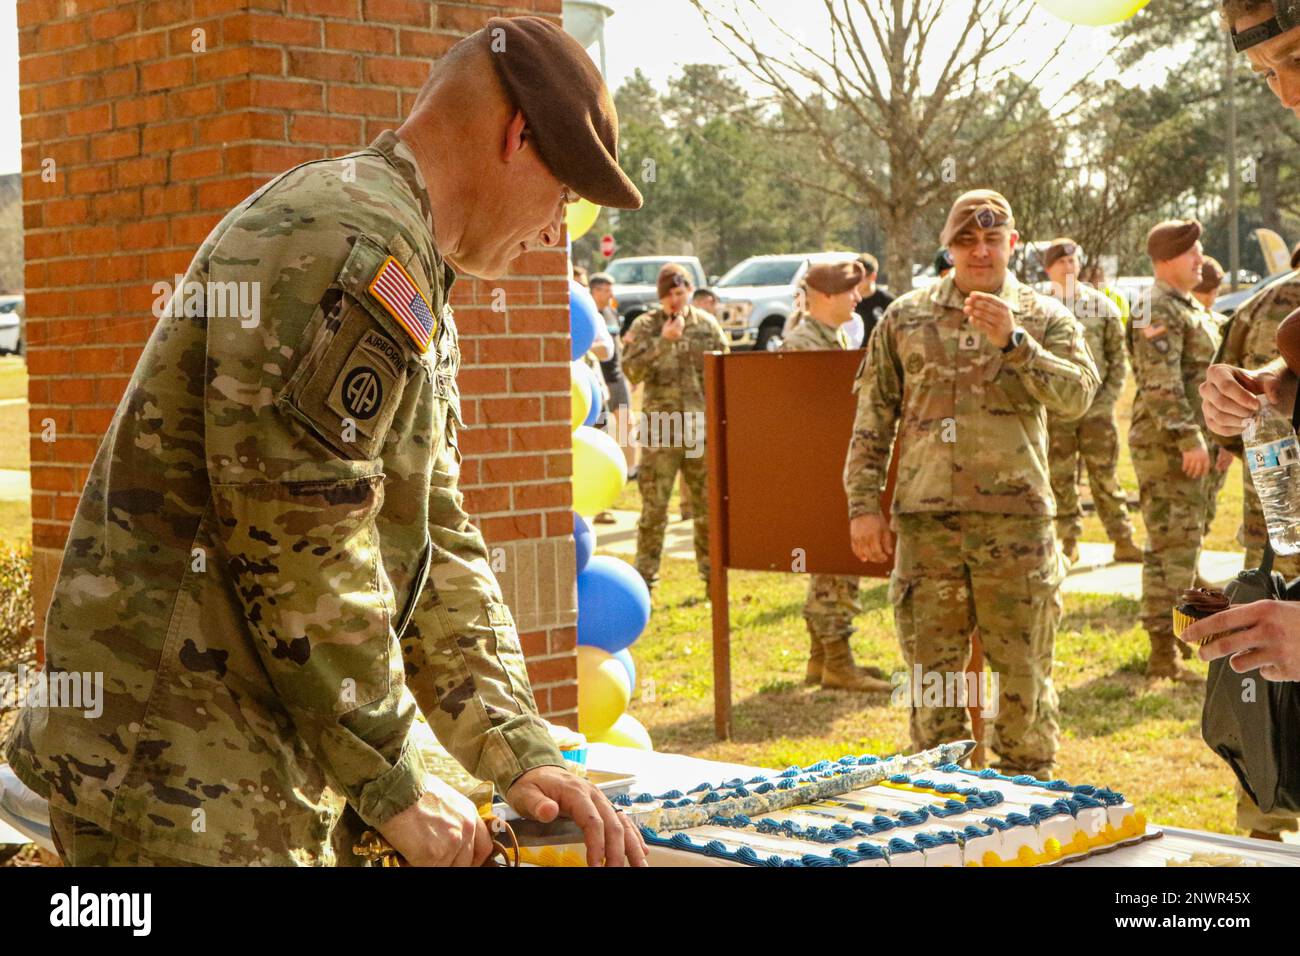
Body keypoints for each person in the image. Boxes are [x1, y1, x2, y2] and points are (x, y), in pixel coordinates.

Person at [4, 16, 648, 868]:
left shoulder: (403, 255)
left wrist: (513, 743)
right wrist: (397, 783)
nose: (550, 233)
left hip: (238, 761)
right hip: (179, 770)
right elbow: (302, 542)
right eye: (563, 196)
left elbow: (435, 533)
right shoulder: (350, 242)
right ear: (517, 135)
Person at [844, 189, 1099, 778]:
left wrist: (1016, 343)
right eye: (966, 240)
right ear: (949, 246)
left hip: (1018, 527)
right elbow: (872, 419)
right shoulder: (905, 317)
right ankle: (939, 809)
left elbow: (1078, 398)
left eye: (992, 239)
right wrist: (863, 506)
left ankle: (1029, 808)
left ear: (1012, 244)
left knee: (1024, 679)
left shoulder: (1044, 317)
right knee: (931, 683)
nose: (980, 251)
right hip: (927, 527)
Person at [780, 261, 891, 692]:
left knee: (829, 564)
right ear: (825, 296)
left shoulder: (835, 336)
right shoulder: (804, 344)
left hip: (835, 465)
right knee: (835, 566)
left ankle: (822, 660)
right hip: (820, 472)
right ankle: (838, 663)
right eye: (850, 291)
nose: (859, 298)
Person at [1127, 220, 1222, 682]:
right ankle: (1164, 653)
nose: (1200, 260)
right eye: (1192, 253)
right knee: (1171, 550)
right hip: (1169, 449)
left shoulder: (1185, 306)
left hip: (1195, 446)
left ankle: (1174, 648)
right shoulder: (1151, 305)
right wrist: (1188, 438)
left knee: (1178, 547)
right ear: (1166, 258)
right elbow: (1159, 383)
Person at [622, 263, 730, 593]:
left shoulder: (707, 325)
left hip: (700, 430)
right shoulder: (645, 326)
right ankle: (645, 580)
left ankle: (713, 580)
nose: (675, 300)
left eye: (680, 293)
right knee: (654, 509)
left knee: (708, 509)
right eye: (669, 294)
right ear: (661, 297)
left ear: (689, 292)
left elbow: (724, 370)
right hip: (660, 431)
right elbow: (631, 371)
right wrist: (663, 342)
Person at [1041, 239, 1141, 565]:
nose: (1069, 266)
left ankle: (1123, 539)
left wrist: (1107, 400)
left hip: (1096, 410)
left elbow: (1118, 358)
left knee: (1106, 475)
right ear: (1049, 268)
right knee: (1060, 476)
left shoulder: (1101, 306)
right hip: (1057, 409)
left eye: (1073, 261)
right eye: (1062, 262)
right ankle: (1068, 541)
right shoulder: (1039, 309)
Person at [1192, 258, 1237, 538]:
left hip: (1217, 430)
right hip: (1191, 430)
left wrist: (1228, 444)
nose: (1211, 297)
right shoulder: (1184, 322)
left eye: (1215, 290)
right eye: (1204, 290)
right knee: (1187, 508)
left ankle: (1194, 566)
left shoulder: (1222, 326)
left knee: (1209, 504)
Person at [589, 272, 632, 524]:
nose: (610, 295)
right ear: (595, 290)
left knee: (625, 428)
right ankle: (597, 505)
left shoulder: (610, 314)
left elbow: (615, 347)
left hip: (615, 379)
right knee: (598, 438)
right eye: (606, 290)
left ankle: (629, 472)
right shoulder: (584, 315)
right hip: (595, 383)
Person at [852, 252, 895, 348]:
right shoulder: (849, 302)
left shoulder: (888, 302)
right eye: (854, 276)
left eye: (861, 277)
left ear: (873, 276)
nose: (856, 281)